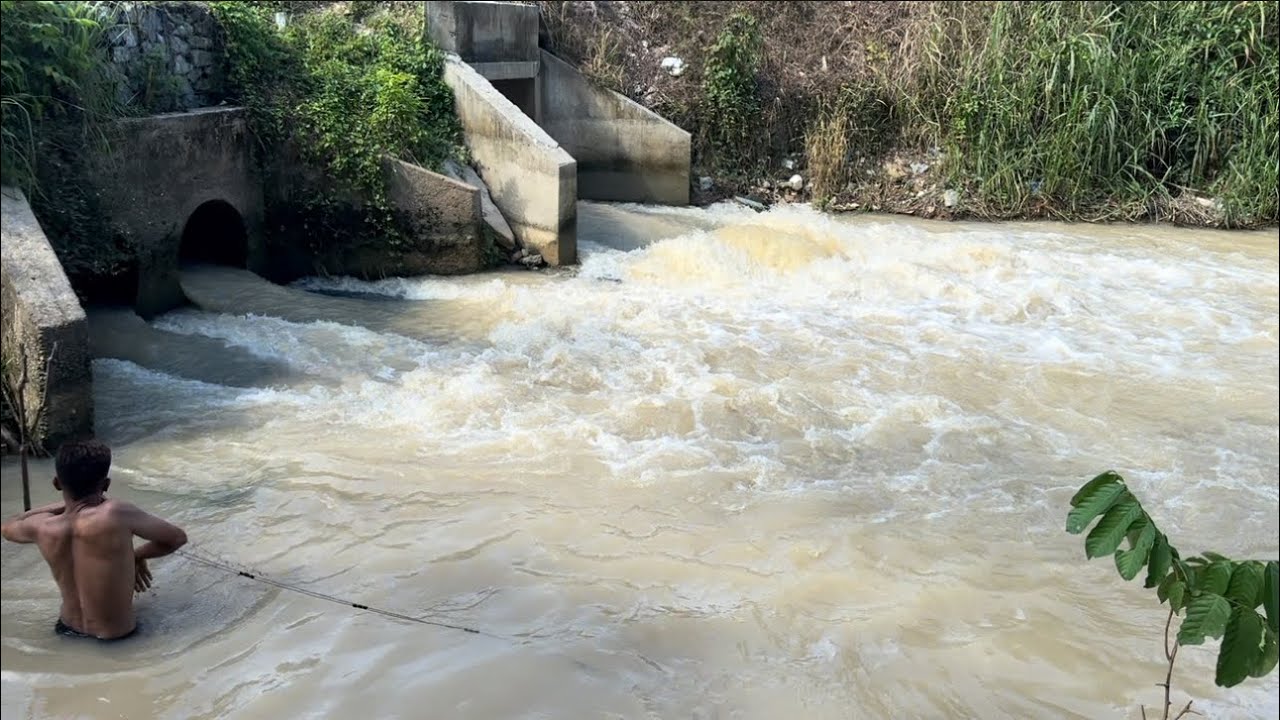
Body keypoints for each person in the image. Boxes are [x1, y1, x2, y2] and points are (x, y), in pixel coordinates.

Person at [1, 439, 187, 641]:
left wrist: (62, 506)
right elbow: (176, 538)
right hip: (116, 640)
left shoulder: (41, 526)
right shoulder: (116, 513)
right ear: (106, 485)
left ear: (56, 483)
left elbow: (9, 525)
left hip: (66, 631)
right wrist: (136, 556)